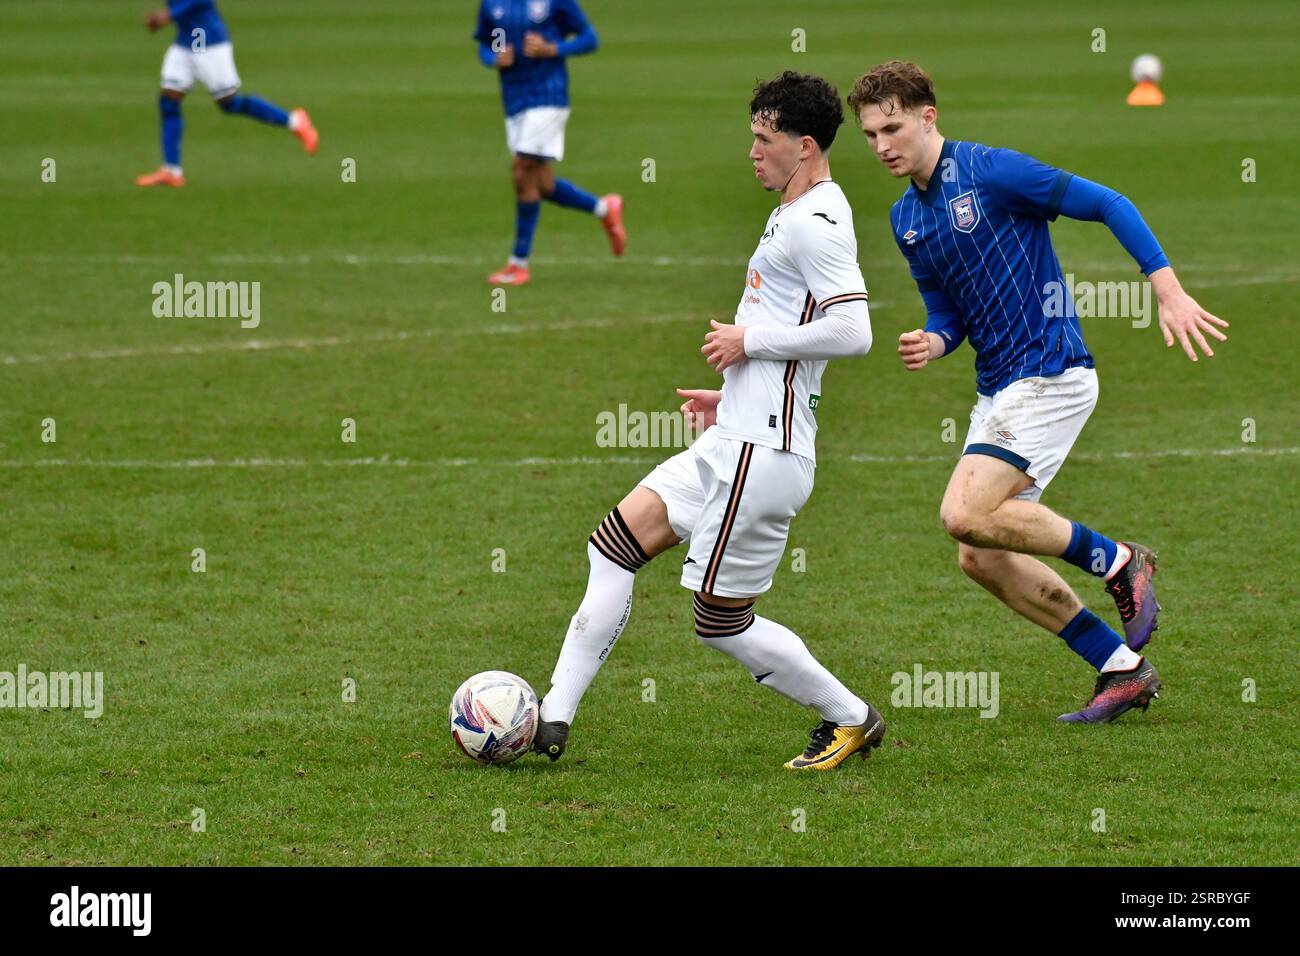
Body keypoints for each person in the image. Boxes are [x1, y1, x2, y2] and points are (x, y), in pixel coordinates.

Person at [851, 60, 1228, 723]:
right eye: (871, 135)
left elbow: (1110, 202)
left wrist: (1165, 287)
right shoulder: (906, 217)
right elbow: (948, 315)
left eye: (893, 127)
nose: (882, 146)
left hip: (1051, 372)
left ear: (927, 117)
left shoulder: (992, 172)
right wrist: (933, 341)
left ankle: (1119, 561)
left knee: (960, 512)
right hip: (999, 388)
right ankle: (1122, 669)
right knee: (979, 553)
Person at [533, 72, 882, 770]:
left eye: (765, 139)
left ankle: (849, 717)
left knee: (720, 624)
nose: (752, 152)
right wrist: (734, 394)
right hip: (738, 436)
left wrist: (747, 345)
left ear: (805, 145)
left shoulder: (816, 224)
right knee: (612, 545)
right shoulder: (795, 206)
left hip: (766, 456)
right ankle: (550, 718)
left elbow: (854, 331)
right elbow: (797, 335)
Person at [135, 1, 318, 188]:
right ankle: (171, 170)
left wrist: (169, 16)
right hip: (186, 37)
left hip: (204, 37)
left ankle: (295, 121)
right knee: (168, 100)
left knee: (228, 101)